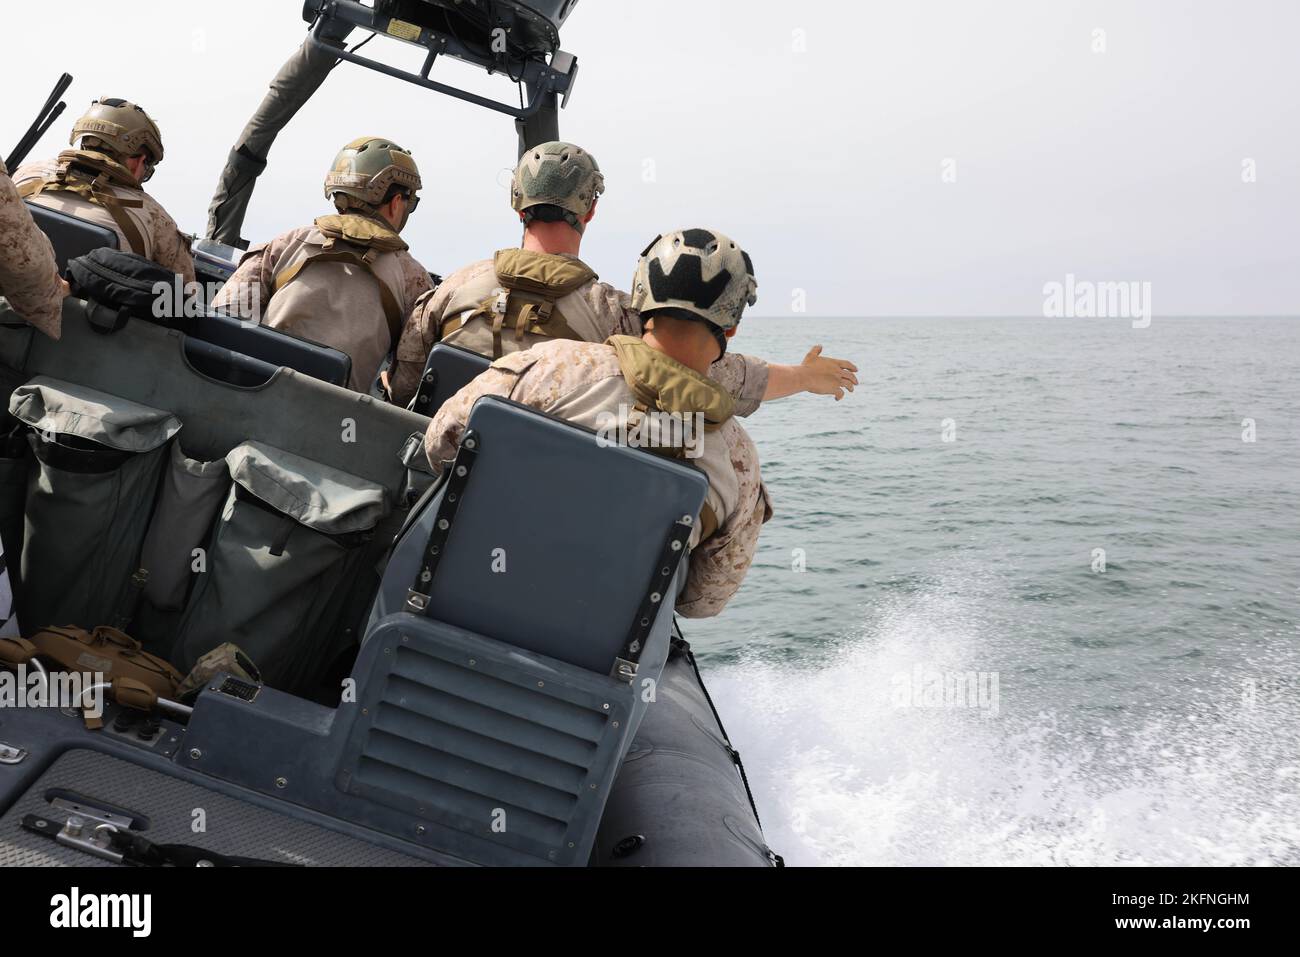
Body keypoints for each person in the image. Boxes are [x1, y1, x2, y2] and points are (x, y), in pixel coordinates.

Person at [425, 228, 772, 618]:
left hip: (459, 599)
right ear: (731, 327)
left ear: (640, 298)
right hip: (599, 657)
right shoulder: (738, 462)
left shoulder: (549, 366)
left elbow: (441, 443)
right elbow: (701, 601)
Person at [388, 141, 857, 410]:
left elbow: (407, 382)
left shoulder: (454, 286)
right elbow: (717, 375)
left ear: (518, 205)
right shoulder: (615, 318)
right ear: (590, 210)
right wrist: (800, 376)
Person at [209, 137, 434, 393]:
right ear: (396, 203)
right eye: (410, 203)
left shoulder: (285, 243)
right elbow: (409, 382)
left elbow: (225, 319)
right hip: (334, 422)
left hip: (249, 393)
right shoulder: (414, 280)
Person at [11, 98, 195, 284]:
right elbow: (186, 293)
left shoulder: (28, 173)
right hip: (77, 312)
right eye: (147, 166)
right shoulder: (155, 216)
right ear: (140, 161)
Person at [0, 160, 67, 338]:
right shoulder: (148, 207)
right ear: (139, 161)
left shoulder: (33, 169)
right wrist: (55, 290)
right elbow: (23, 264)